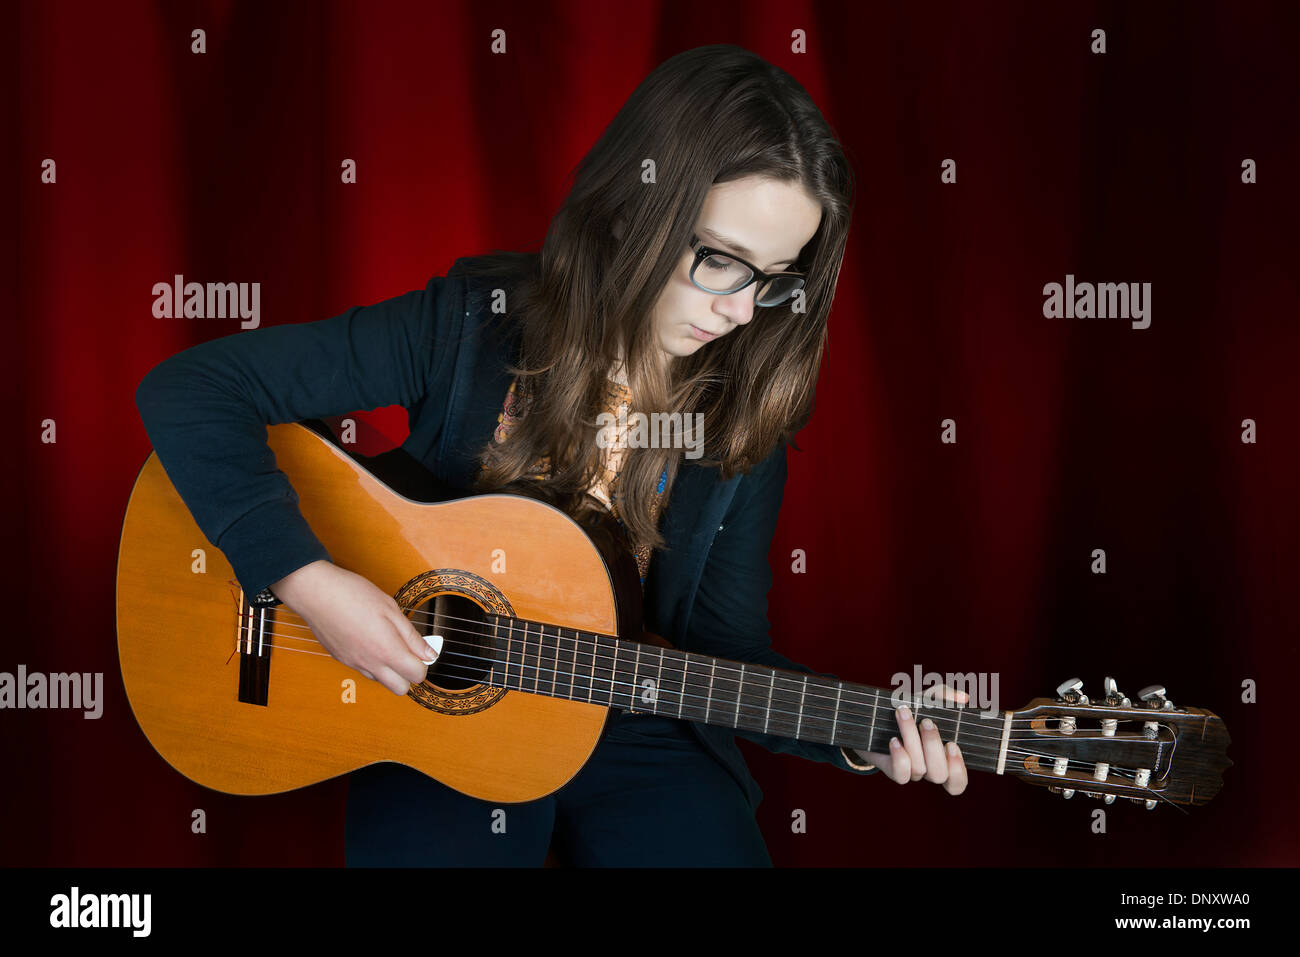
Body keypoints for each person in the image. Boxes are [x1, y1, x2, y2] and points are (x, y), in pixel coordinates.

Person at [135, 44, 968, 867]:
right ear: (633, 210)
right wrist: (309, 584)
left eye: (776, 277)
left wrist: (860, 736)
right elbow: (192, 391)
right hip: (435, 706)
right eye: (720, 261)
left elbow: (727, 656)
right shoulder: (469, 323)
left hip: (630, 718)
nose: (744, 310)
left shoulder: (738, 427)